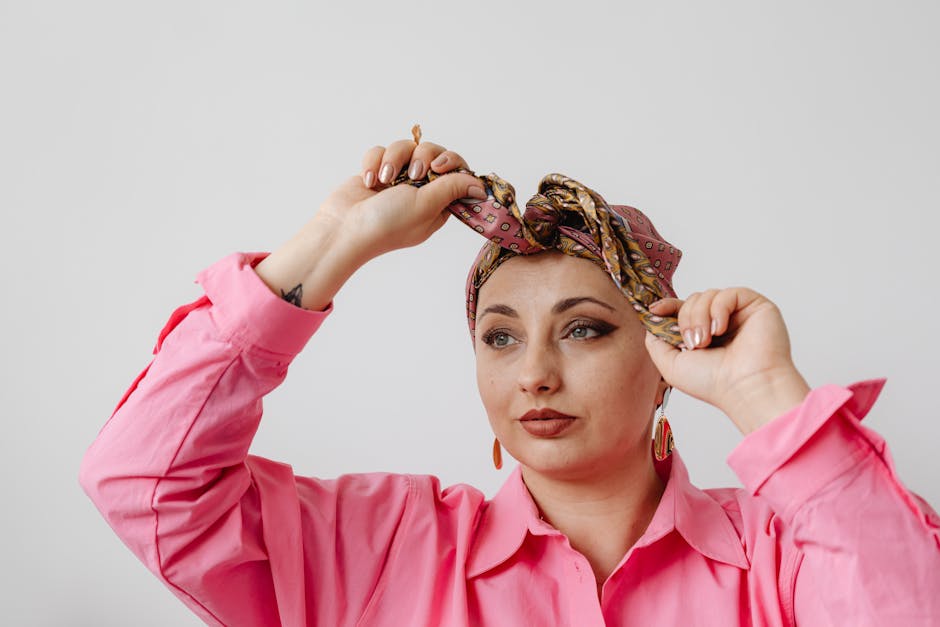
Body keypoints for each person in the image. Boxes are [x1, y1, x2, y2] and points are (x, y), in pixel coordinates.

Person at [79, 134, 940, 626]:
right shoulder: (379, 549)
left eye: (585, 328)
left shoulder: (785, 549)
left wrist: (764, 395)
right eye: (499, 337)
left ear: (665, 356)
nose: (534, 372)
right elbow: (145, 482)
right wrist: (331, 243)